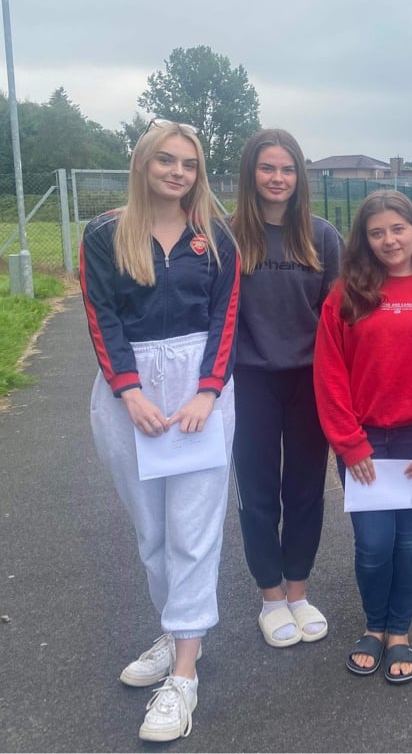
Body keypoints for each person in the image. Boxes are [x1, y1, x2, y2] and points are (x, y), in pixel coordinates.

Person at [81, 118, 239, 741]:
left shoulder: (215, 236)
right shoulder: (105, 233)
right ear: (144, 164)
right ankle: (175, 628)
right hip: (132, 396)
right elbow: (101, 317)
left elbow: (227, 318)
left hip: (201, 392)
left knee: (193, 533)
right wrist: (129, 391)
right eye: (166, 161)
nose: (178, 172)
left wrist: (207, 391)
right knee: (152, 533)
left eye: (190, 164)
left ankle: (184, 676)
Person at [314, 191, 412, 683]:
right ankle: (373, 624)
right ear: (364, 238)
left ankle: (399, 630)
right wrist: (349, 442)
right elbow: (329, 373)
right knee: (374, 540)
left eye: (397, 229)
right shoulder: (345, 295)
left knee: (410, 534)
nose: (389, 241)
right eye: (377, 233)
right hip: (363, 439)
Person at [230, 128, 342, 648]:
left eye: (288, 169)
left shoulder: (321, 237)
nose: (278, 179)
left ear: (300, 177)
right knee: (257, 494)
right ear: (251, 173)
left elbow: (338, 316)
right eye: (268, 168)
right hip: (248, 380)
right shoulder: (226, 237)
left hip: (307, 381)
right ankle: (270, 597)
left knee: (304, 490)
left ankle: (297, 591)